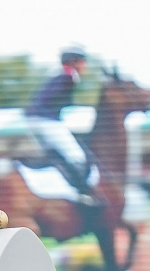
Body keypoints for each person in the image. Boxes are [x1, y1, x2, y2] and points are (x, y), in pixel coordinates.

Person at [24, 46, 98, 209]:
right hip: (46, 120)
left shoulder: (58, 74)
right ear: (73, 62)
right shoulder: (69, 76)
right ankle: (83, 194)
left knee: (55, 155)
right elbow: (54, 99)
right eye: (82, 62)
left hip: (32, 120)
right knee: (77, 156)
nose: (85, 66)